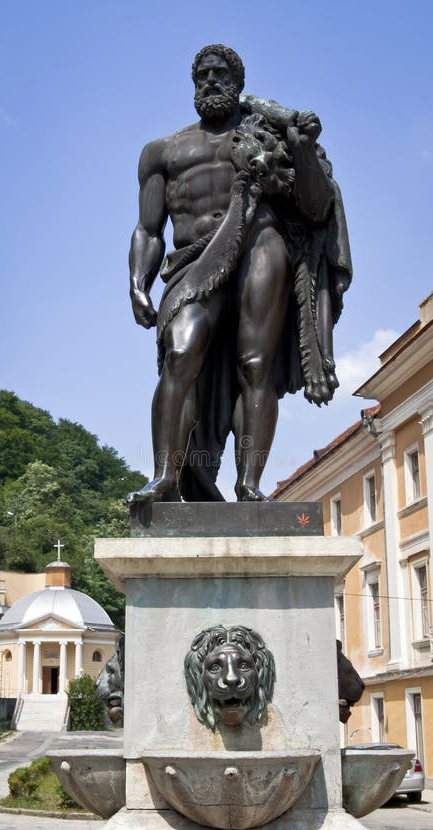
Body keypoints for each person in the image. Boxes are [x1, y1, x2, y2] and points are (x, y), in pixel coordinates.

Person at [128, 44, 351, 503]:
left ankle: (249, 483)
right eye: (203, 75)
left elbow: (315, 206)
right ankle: (165, 476)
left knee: (255, 364)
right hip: (193, 261)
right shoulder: (161, 151)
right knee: (181, 353)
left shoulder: (267, 136)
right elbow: (148, 229)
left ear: (239, 84)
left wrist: (302, 147)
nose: (211, 81)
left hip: (259, 244)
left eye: (221, 74)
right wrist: (137, 283)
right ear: (193, 84)